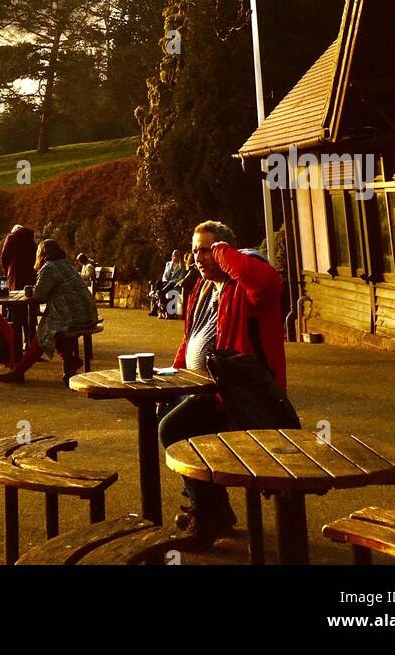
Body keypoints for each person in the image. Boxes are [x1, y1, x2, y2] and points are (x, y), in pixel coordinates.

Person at [157, 219, 285, 551]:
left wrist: (223, 253)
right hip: (202, 390)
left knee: (174, 430)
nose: (198, 257)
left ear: (224, 251)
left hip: (240, 398)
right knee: (167, 418)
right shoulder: (202, 288)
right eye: (195, 250)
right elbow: (190, 339)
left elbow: (266, 284)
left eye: (206, 250)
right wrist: (172, 379)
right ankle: (213, 509)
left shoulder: (245, 281)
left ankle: (208, 514)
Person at [0, 239, 98, 383]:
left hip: (73, 315)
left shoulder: (49, 267)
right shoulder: (65, 264)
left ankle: (18, 372)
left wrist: (30, 291)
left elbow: (39, 294)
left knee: (44, 334)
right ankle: (69, 363)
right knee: (52, 329)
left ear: (42, 253)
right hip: (87, 313)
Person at [148, 248, 187, 317]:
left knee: (166, 287)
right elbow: (165, 275)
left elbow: (181, 278)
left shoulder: (182, 266)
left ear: (178, 257)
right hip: (166, 284)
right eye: (173, 256)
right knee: (159, 282)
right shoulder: (168, 264)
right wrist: (165, 280)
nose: (174, 257)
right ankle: (158, 293)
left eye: (175, 256)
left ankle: (157, 304)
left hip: (175, 285)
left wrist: (172, 281)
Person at [0, 224, 38, 291]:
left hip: (16, 275)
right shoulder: (31, 241)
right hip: (30, 275)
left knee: (15, 297)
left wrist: (6, 274)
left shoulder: (11, 238)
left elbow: (4, 258)